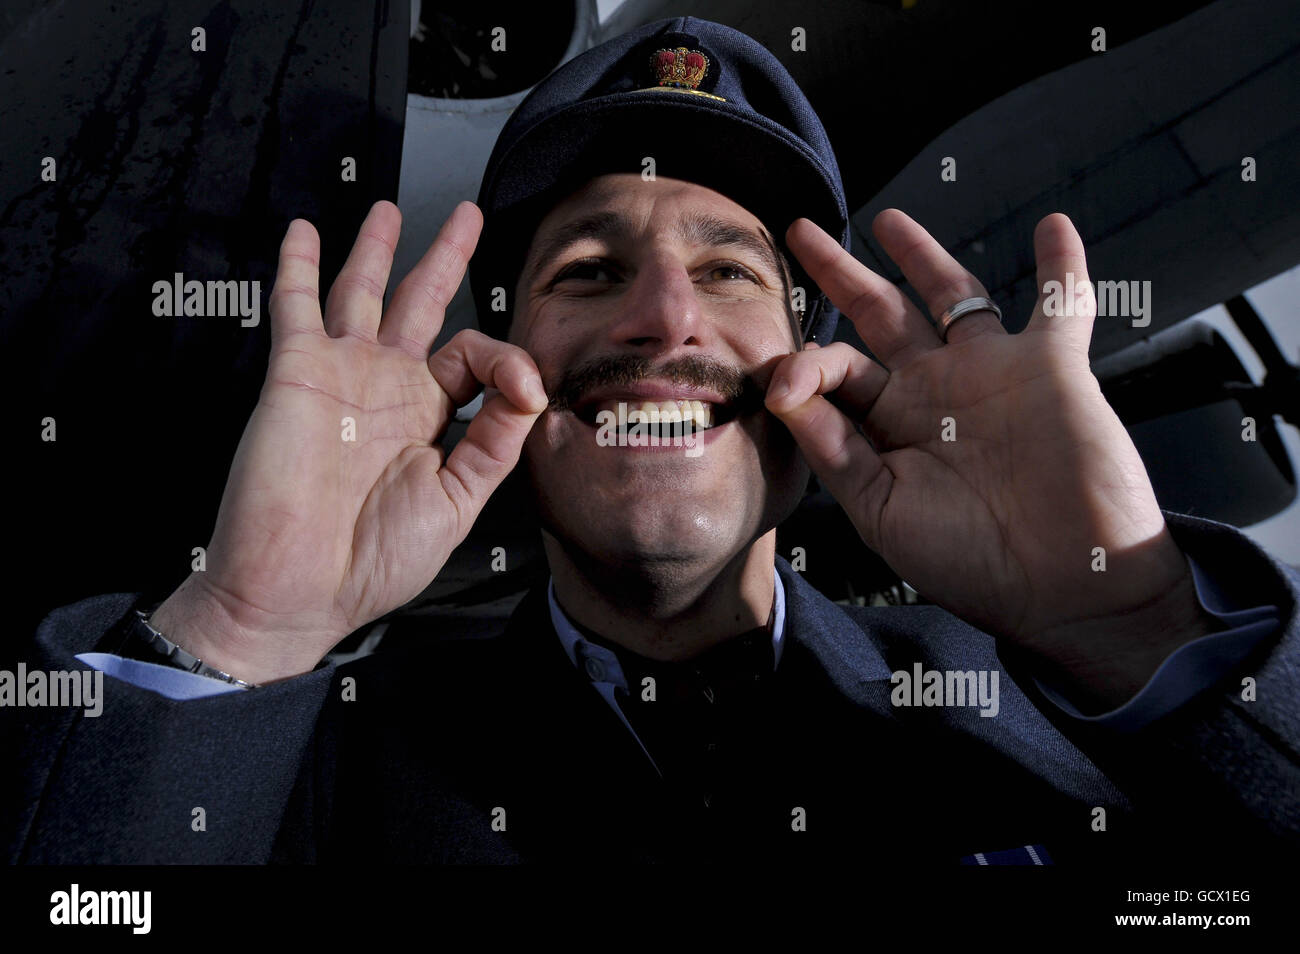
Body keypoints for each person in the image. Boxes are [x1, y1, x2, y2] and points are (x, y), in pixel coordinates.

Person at [5, 17, 1297, 865]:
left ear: (815, 369)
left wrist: (1133, 622)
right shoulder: (285, 756)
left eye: (731, 272)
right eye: (586, 270)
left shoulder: (1087, 719)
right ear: (503, 368)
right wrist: (240, 633)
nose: (664, 316)